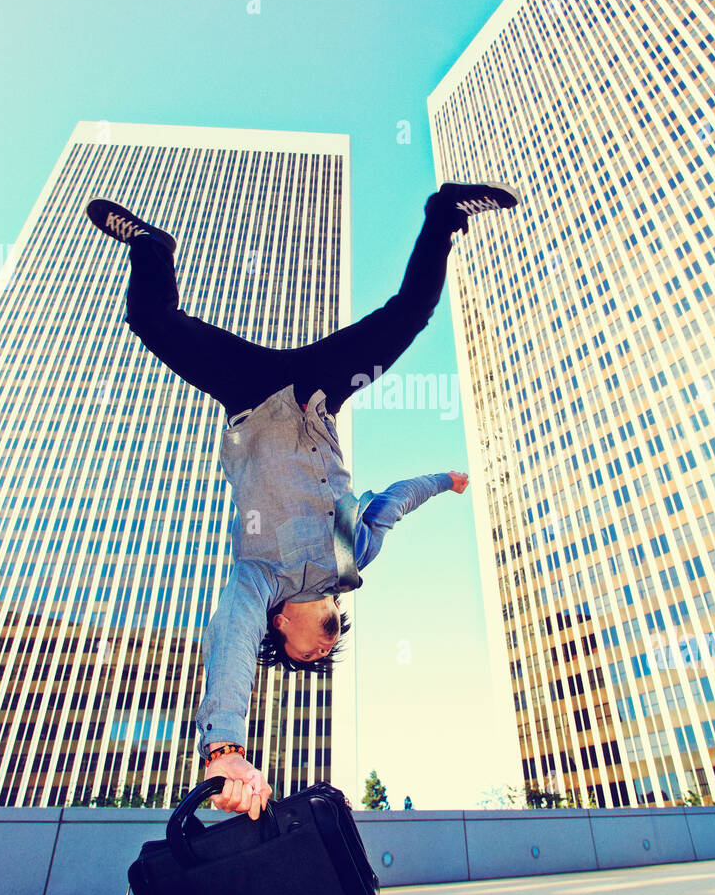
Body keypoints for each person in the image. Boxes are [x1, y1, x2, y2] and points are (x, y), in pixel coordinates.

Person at [86, 178, 519, 820]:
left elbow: (233, 634)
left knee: (151, 321)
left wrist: (225, 745)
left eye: (305, 652)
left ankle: (153, 247)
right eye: (325, 652)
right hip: (319, 394)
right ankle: (444, 214)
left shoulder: (260, 577)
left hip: (252, 395)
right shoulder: (355, 560)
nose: (322, 649)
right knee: (409, 316)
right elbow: (392, 500)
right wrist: (443, 481)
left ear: (281, 624)